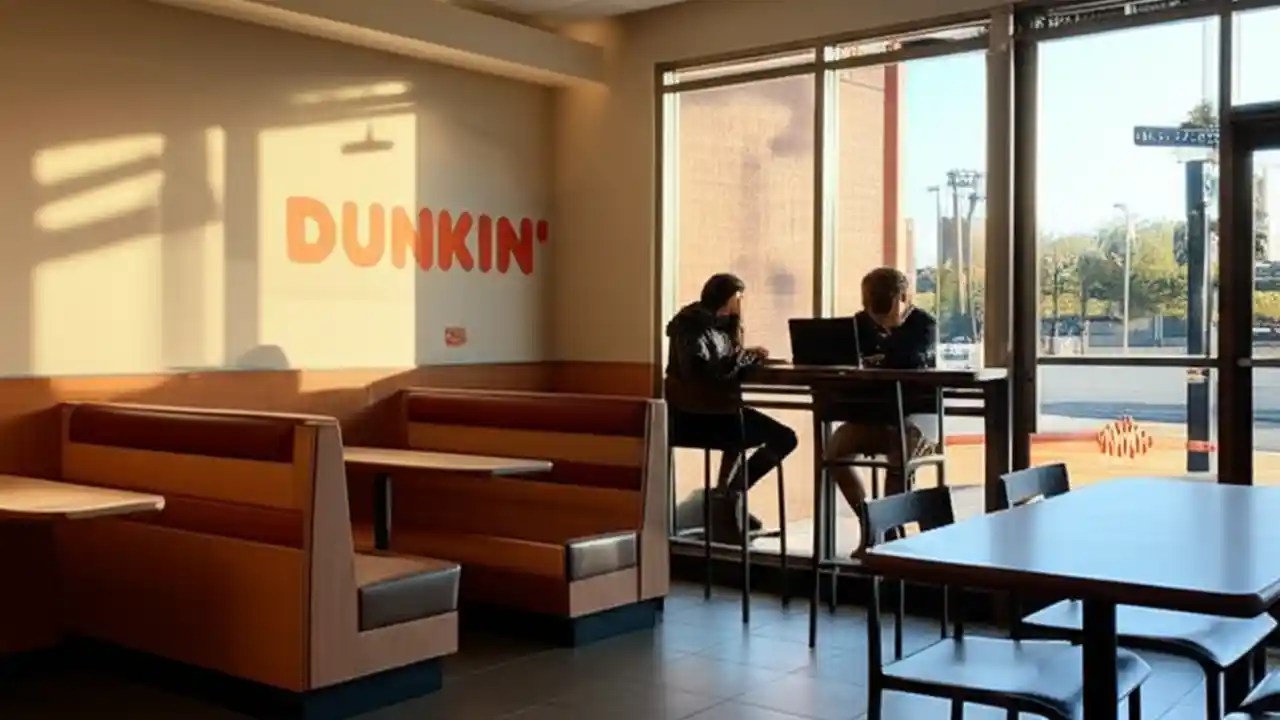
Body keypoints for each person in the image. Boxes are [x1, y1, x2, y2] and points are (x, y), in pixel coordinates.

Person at [665, 273, 799, 543]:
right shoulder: (693, 326)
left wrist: (743, 352)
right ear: (728, 298)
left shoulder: (706, 325)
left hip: (705, 413)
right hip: (701, 418)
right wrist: (747, 355)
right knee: (785, 438)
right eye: (739, 297)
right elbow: (709, 371)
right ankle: (729, 496)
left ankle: (725, 497)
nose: (741, 303)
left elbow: (721, 364)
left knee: (741, 433)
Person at [825, 267, 939, 516]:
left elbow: (910, 360)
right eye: (870, 303)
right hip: (874, 415)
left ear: (903, 298)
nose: (875, 312)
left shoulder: (924, 325)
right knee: (834, 453)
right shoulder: (859, 324)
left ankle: (891, 528)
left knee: (899, 460)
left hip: (916, 415)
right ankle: (871, 522)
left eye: (883, 303)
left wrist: (891, 329)